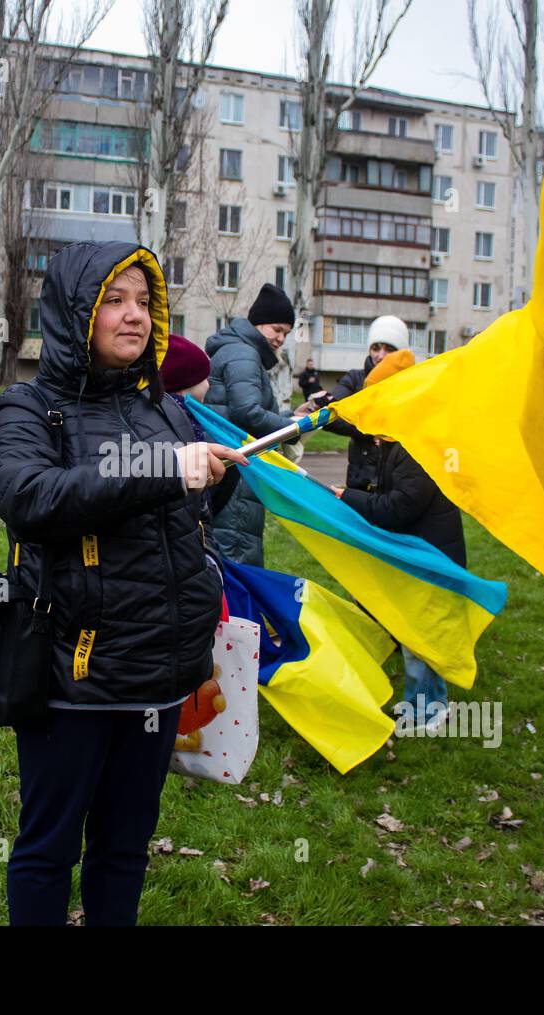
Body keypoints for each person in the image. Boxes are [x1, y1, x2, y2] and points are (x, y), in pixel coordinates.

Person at [0, 242, 248, 927]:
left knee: (125, 848)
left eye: (143, 301)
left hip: (159, 677)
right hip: (74, 676)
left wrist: (215, 484)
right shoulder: (27, 410)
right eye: (114, 300)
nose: (134, 316)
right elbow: (30, 497)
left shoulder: (165, 409)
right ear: (77, 315)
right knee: (48, 848)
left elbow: (177, 523)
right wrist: (168, 471)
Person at [331, 350, 464, 735]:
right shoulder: (401, 437)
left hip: (428, 557)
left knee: (419, 637)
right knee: (416, 632)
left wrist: (348, 498)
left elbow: (400, 507)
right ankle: (424, 702)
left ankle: (430, 711)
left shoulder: (415, 443)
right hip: (421, 552)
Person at [203, 283, 297, 566]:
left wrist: (291, 415)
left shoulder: (239, 350)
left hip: (231, 469)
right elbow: (248, 412)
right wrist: (293, 430)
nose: (281, 338)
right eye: (276, 330)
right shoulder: (244, 354)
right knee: (236, 555)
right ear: (258, 324)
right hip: (236, 474)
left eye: (286, 334)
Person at [298, 314, 409, 493]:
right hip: (360, 476)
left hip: (395, 479)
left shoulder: (408, 386)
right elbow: (334, 409)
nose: (380, 356)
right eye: (375, 348)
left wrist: (364, 426)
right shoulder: (355, 378)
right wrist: (326, 402)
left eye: (389, 349)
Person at [160, 332, 241, 526]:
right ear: (183, 386)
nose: (209, 384)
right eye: (203, 378)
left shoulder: (186, 418)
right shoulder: (181, 423)